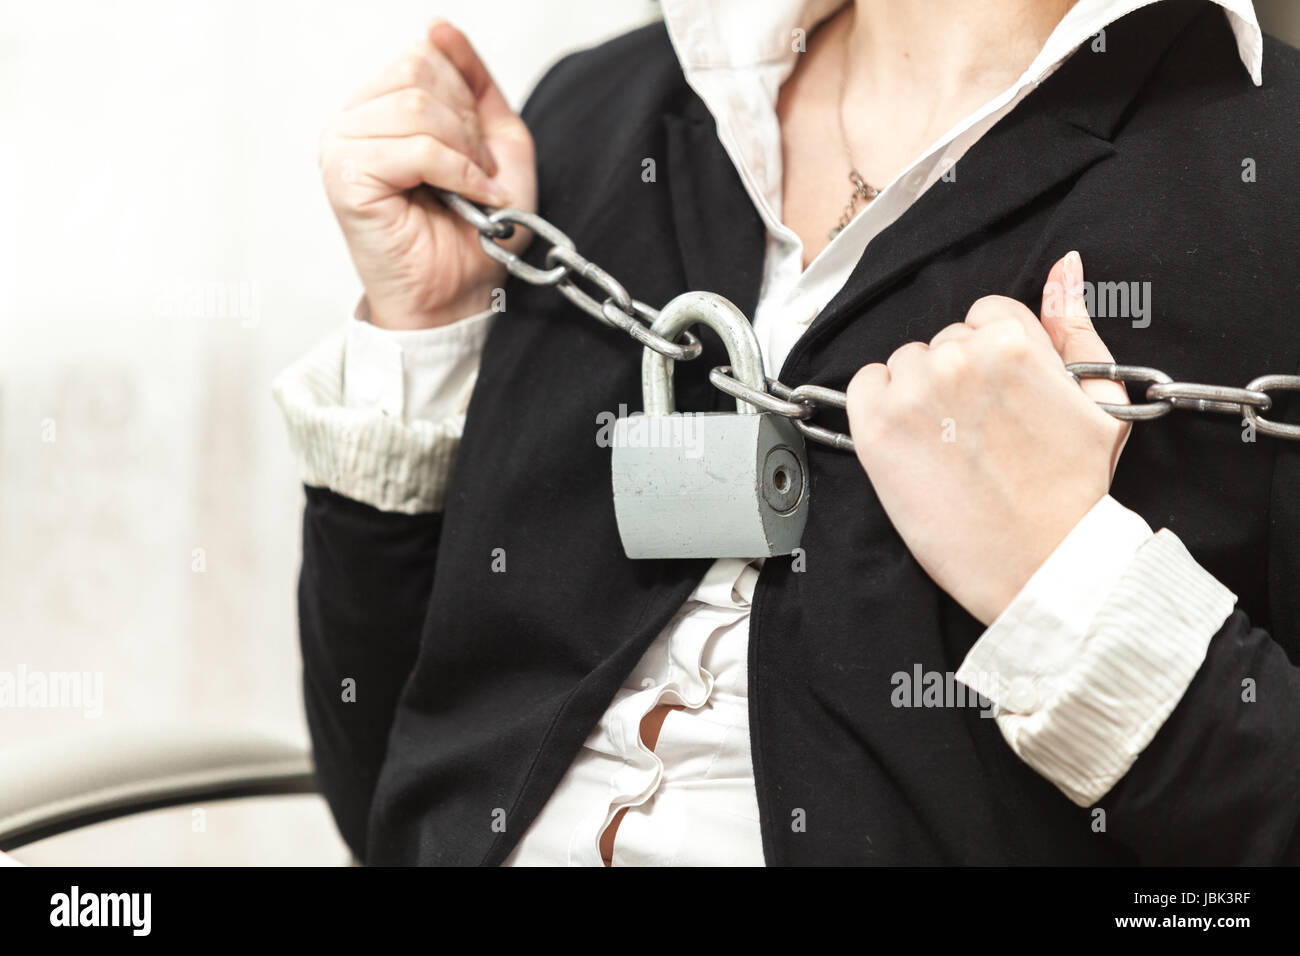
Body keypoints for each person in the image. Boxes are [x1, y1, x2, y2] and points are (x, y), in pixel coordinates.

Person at [274, 0, 1300, 865]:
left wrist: (1071, 589)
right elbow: (390, 797)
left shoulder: (1267, 185)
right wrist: (433, 332)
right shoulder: (594, 120)